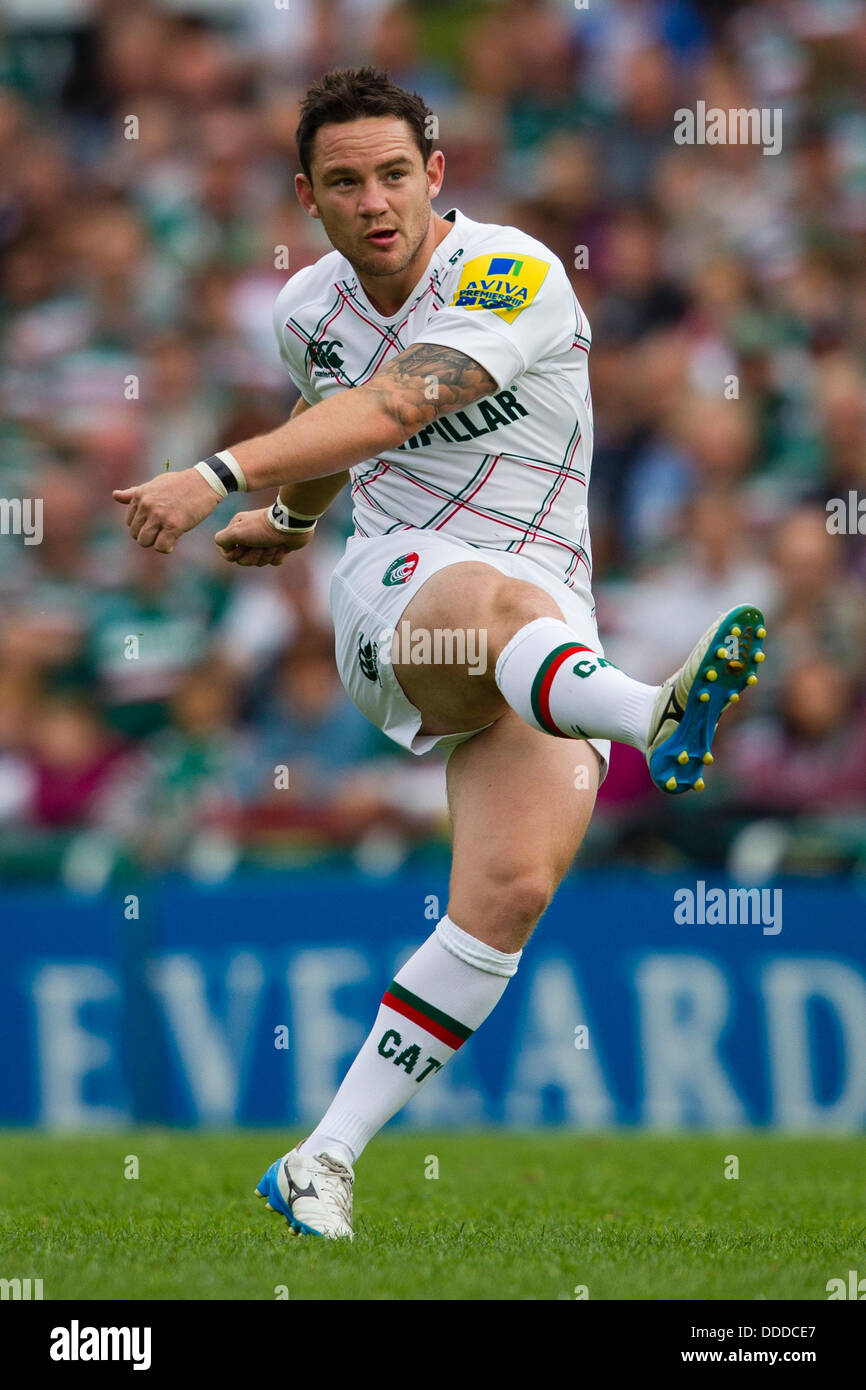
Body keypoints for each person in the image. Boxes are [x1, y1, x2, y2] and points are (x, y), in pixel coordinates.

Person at [113, 67, 766, 1240]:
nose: (376, 201)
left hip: (545, 627)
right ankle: (648, 715)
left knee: (505, 895)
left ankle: (319, 1159)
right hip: (398, 597)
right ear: (305, 195)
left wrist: (230, 483)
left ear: (437, 174)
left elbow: (387, 406)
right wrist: (300, 519)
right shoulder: (305, 304)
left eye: (396, 175)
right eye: (346, 182)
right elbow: (345, 408)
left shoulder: (508, 273)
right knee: (494, 605)